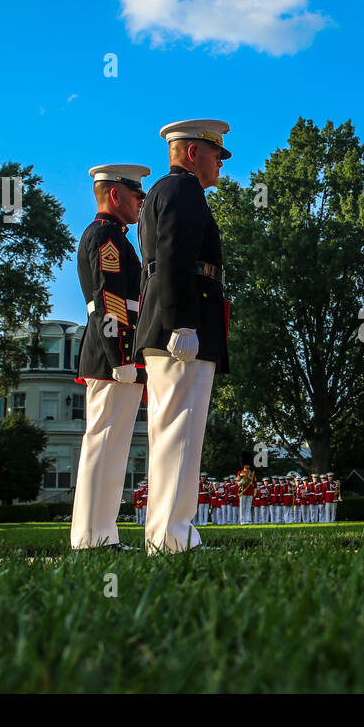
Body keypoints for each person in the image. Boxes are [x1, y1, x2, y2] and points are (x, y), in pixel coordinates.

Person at [136, 119, 232, 552]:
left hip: (168, 321)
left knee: (170, 432)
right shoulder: (183, 191)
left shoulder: (160, 192)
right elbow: (175, 257)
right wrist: (183, 323)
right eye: (216, 154)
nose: (220, 164)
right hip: (182, 325)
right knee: (181, 432)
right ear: (193, 153)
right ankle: (173, 538)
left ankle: (165, 533)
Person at [70, 164, 150, 550]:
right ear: (115, 195)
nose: (141, 203)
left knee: (110, 449)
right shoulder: (106, 236)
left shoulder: (112, 236)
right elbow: (109, 300)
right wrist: (122, 357)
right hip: (112, 357)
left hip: (113, 355)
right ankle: (92, 539)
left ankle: (100, 535)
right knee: (103, 447)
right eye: (137, 196)